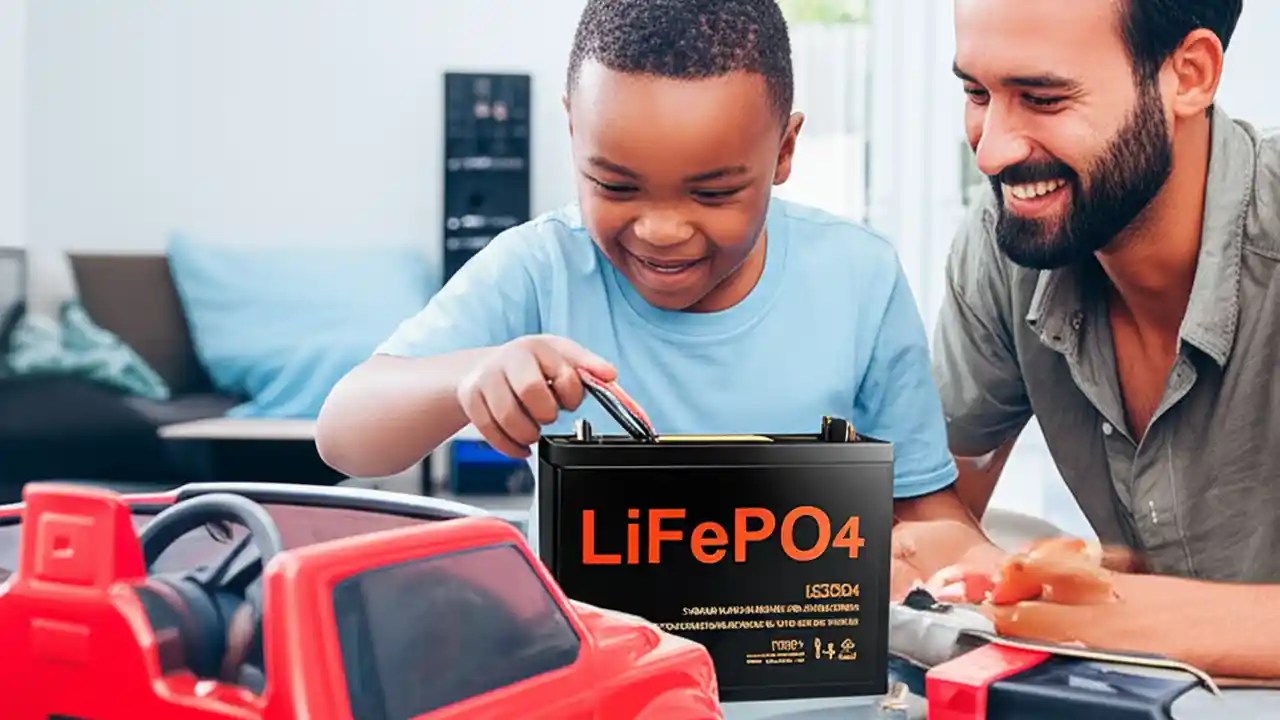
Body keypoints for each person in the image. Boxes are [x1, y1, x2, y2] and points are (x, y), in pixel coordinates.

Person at [316, 0, 978, 557]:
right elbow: (345, 435)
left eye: (714, 193)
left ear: (784, 152)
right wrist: (470, 375)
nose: (662, 230)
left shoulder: (858, 279)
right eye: (614, 185)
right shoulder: (540, 268)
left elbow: (924, 511)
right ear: (573, 130)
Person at [911, 0, 1280, 679]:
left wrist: (1098, 613)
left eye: (1043, 98)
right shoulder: (1006, 246)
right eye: (976, 93)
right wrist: (988, 569)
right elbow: (932, 511)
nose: (990, 150)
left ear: (1189, 75)